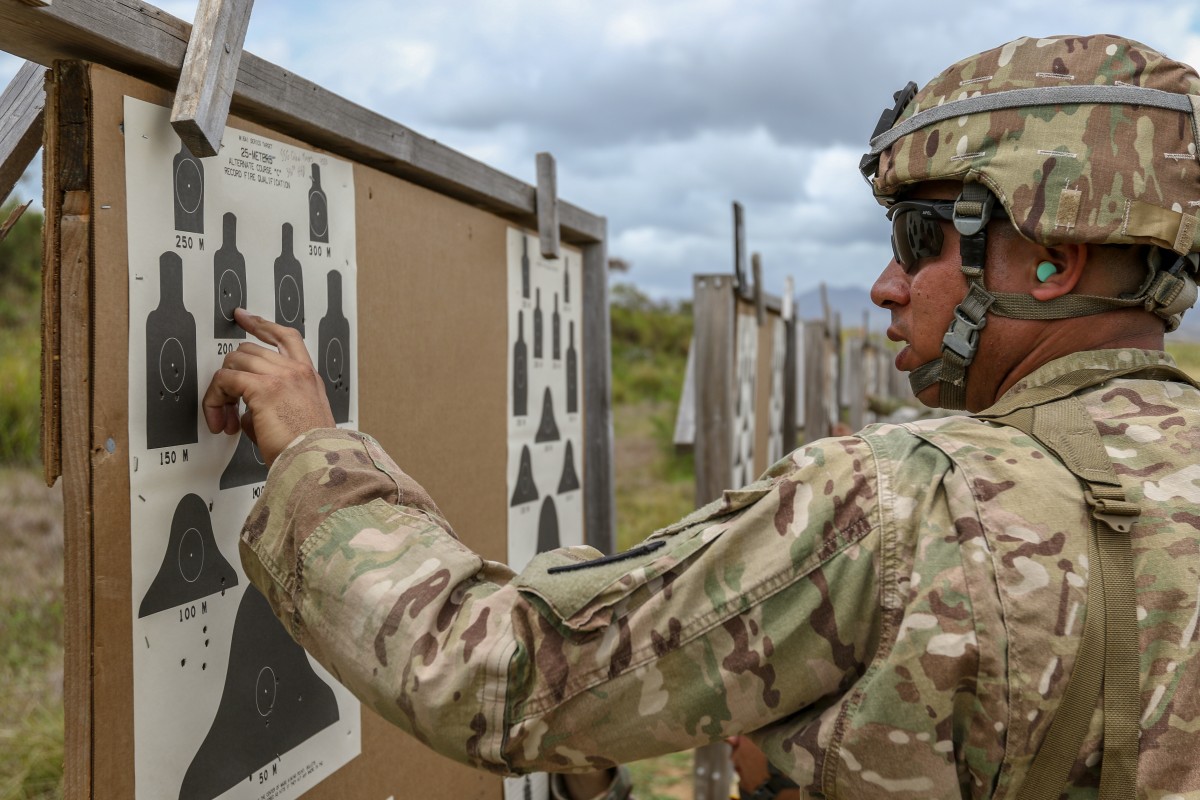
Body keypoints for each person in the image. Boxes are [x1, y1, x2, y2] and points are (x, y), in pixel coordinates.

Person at [204, 33, 1200, 799]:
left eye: (921, 236)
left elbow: (493, 674)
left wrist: (314, 455)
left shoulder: (894, 501)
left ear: (1050, 257)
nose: (887, 284)